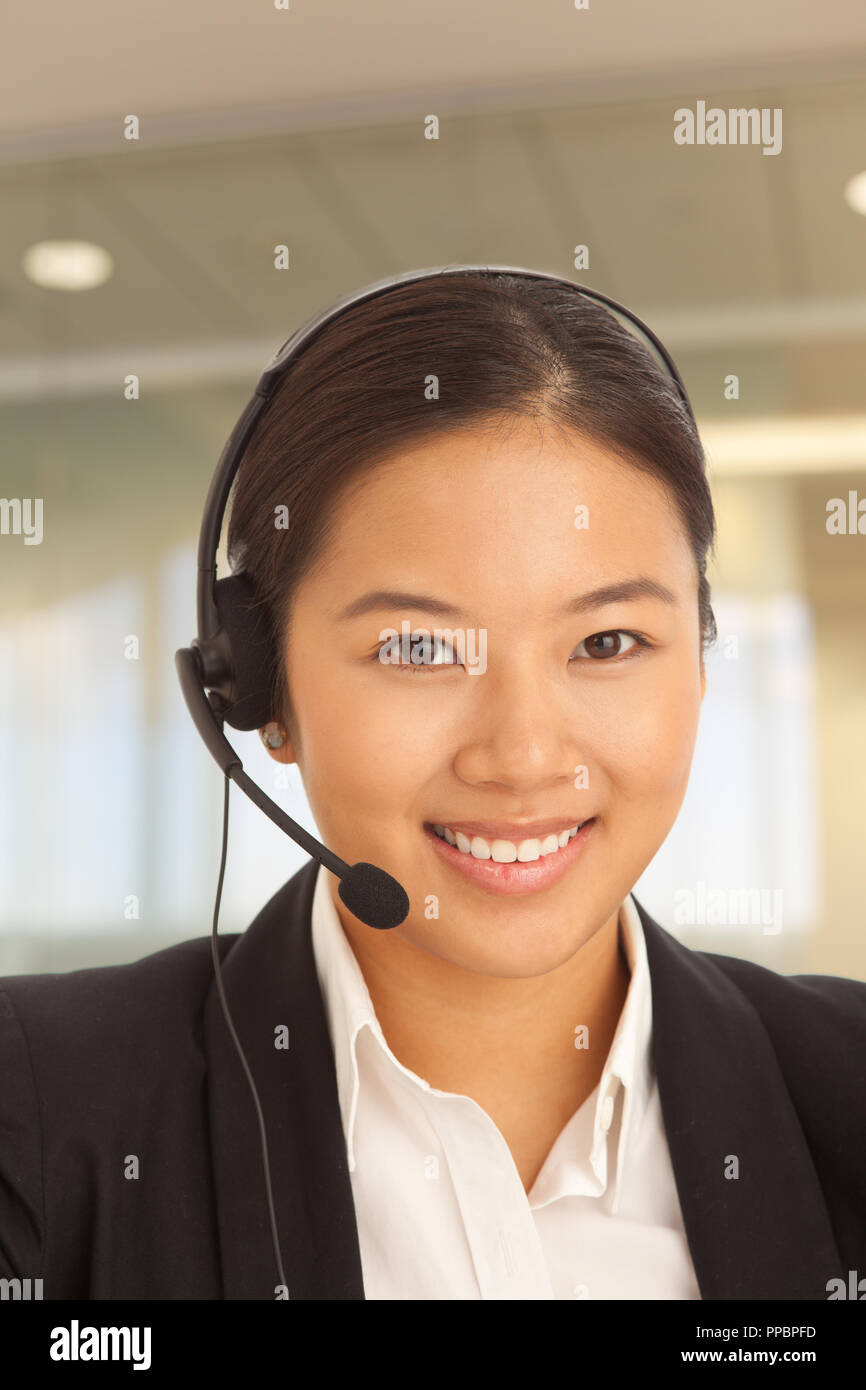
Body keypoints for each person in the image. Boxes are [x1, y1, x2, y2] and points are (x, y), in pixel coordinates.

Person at [1, 270, 864, 1301]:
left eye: (605, 639)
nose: (522, 753)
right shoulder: (39, 1112)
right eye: (416, 646)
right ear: (260, 688)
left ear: (698, 662)